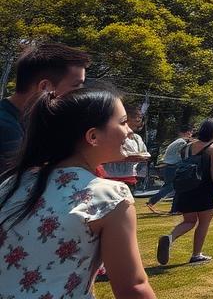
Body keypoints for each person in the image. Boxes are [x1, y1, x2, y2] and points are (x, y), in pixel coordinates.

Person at [0, 89, 155, 299]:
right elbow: (133, 287)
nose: (129, 131)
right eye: (122, 122)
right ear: (93, 136)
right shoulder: (109, 196)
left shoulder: (11, 184)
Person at [0, 42, 90, 176]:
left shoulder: (36, 120)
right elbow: (26, 179)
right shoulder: (6, 126)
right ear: (45, 87)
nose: (81, 93)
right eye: (76, 85)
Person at [157, 117, 213, 265]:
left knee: (189, 221)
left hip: (186, 188)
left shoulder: (187, 147)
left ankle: (170, 237)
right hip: (205, 188)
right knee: (203, 223)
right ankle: (196, 254)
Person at [146, 126, 194, 214]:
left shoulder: (177, 141)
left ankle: (154, 202)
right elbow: (184, 154)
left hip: (169, 166)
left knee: (169, 186)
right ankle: (171, 208)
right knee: (172, 187)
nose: (190, 135)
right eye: (189, 133)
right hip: (174, 166)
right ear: (184, 133)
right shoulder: (182, 142)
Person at [103, 107, 151, 191]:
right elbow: (104, 157)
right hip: (112, 177)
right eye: (134, 117)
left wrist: (143, 157)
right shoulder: (113, 135)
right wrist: (127, 158)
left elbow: (144, 153)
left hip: (130, 176)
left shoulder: (137, 138)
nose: (138, 119)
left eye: (140, 117)